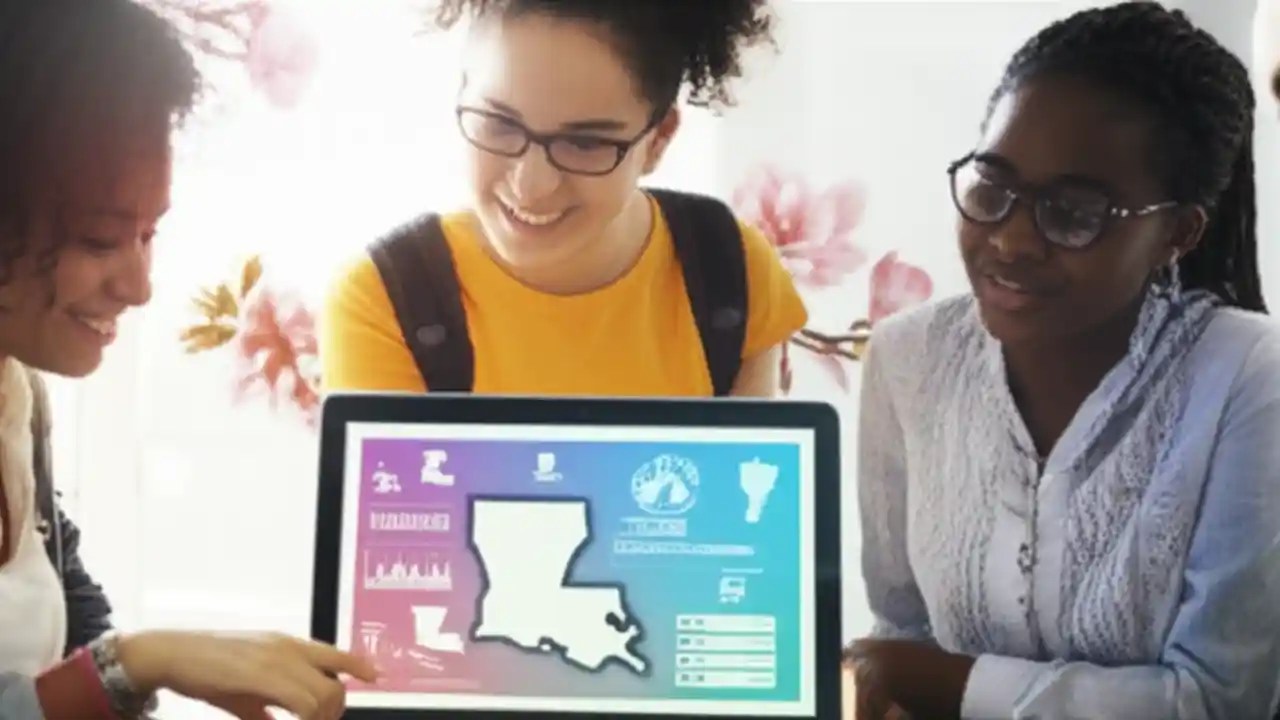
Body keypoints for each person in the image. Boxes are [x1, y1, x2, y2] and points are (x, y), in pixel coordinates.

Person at [848, 2, 1280, 718]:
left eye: (1074, 212)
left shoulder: (1247, 377)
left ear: (1177, 233)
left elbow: (1217, 700)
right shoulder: (908, 359)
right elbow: (903, 631)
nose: (1013, 240)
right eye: (993, 185)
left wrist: (931, 679)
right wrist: (892, 675)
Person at [0, 2, 376, 718]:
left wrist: (168, 668)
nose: (140, 287)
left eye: (150, 235)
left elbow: (70, 615)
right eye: (100, 240)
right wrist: (144, 659)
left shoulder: (17, 393)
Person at [320, 0, 806, 398]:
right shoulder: (386, 300)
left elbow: (746, 510)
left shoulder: (731, 273)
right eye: (499, 123)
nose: (531, 184)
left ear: (658, 140)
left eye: (585, 143)